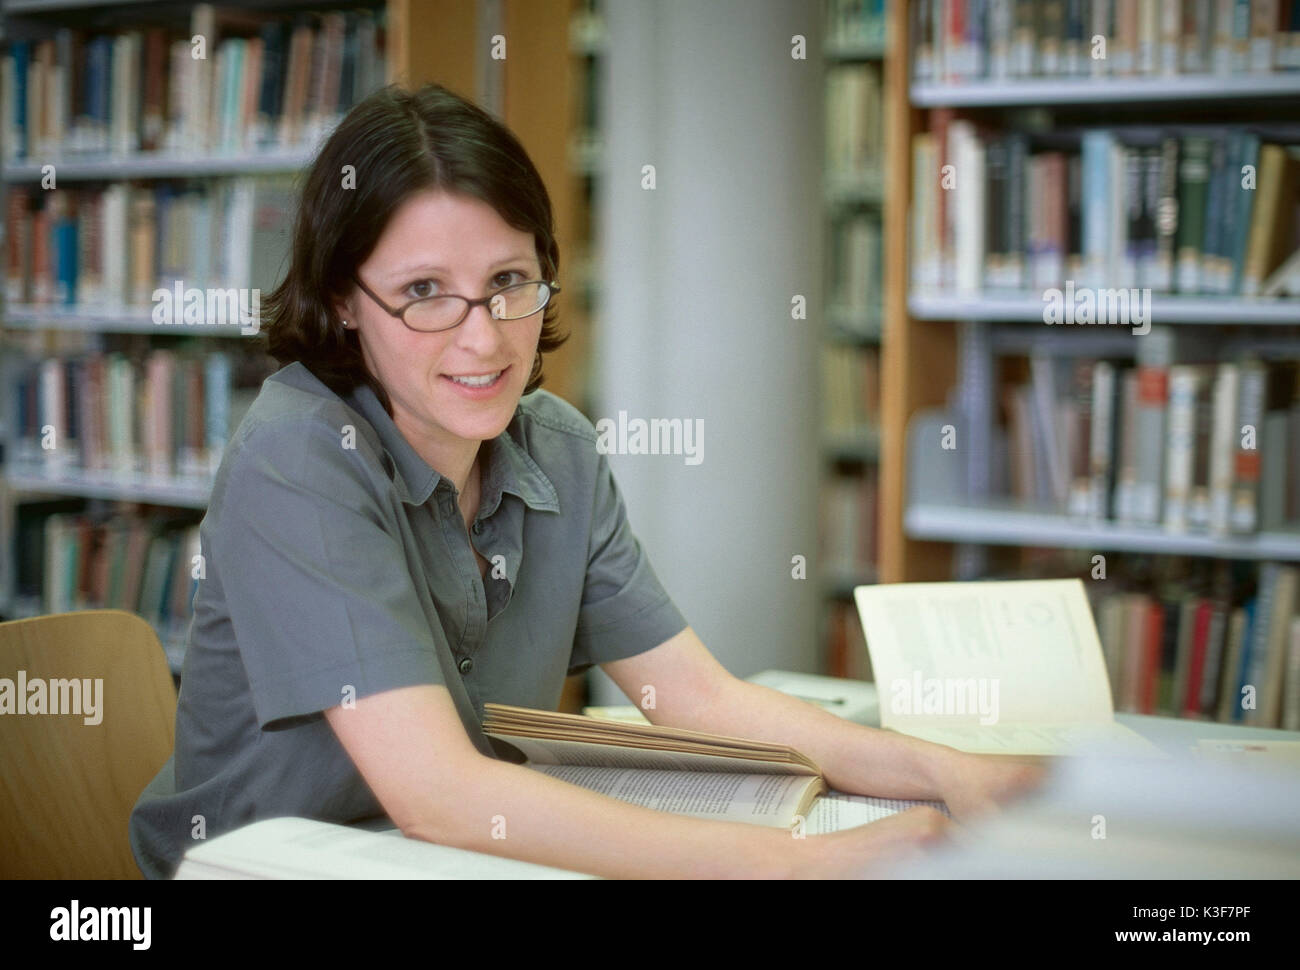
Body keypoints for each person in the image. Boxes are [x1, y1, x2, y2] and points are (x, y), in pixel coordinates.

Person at [129, 83, 1040, 880]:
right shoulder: (299, 456)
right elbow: (436, 794)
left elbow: (693, 697)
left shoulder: (554, 445)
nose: (483, 338)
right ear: (341, 301)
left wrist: (949, 771)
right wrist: (786, 867)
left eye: (509, 280)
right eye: (423, 293)